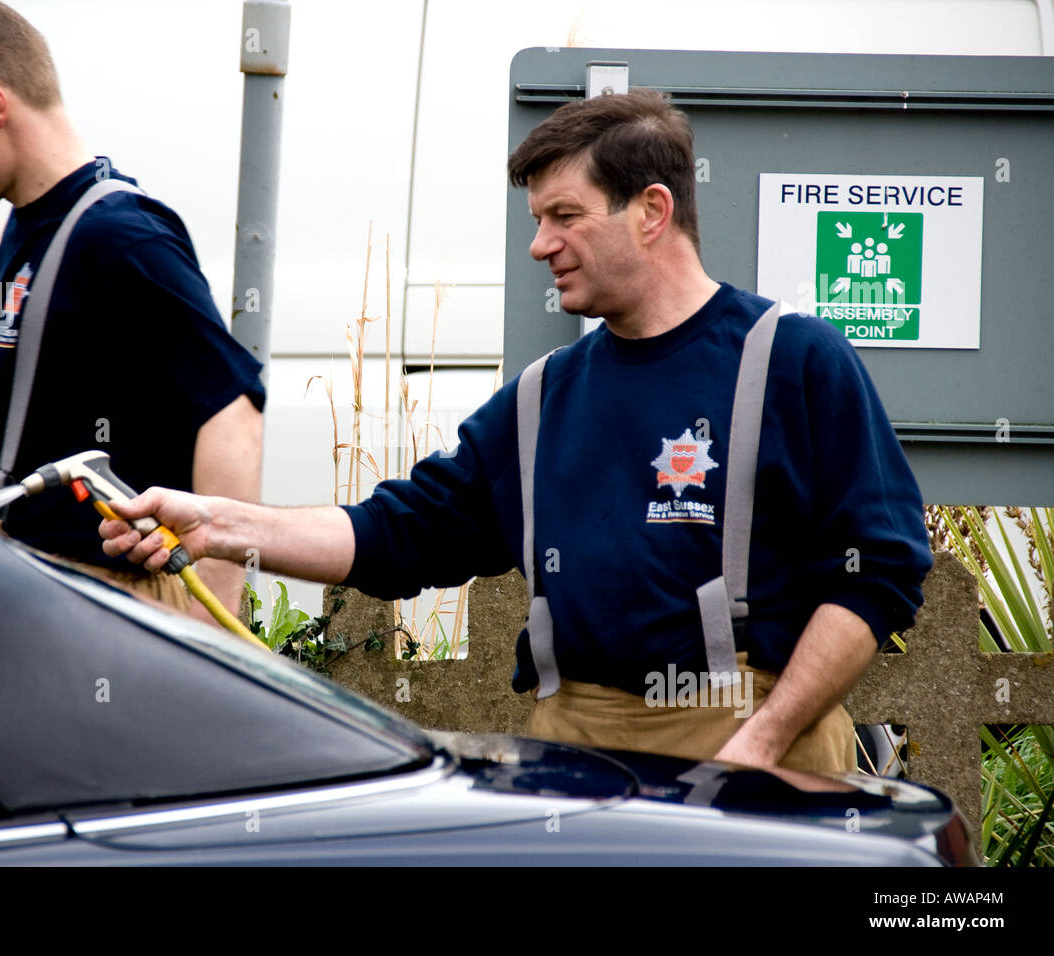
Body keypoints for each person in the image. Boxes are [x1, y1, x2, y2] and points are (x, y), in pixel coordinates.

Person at [98, 90, 932, 774]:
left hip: (756, 744)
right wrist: (218, 525)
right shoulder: (541, 398)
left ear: (652, 210)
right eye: (537, 219)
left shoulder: (792, 361)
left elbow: (879, 570)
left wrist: (763, 737)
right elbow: (394, 534)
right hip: (573, 752)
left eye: (564, 216)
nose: (540, 245)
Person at [0, 0, 264, 628]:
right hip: (33, 597)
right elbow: (24, 359)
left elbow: (233, 414)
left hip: (101, 608)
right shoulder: (34, 220)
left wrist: (209, 631)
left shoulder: (121, 238)